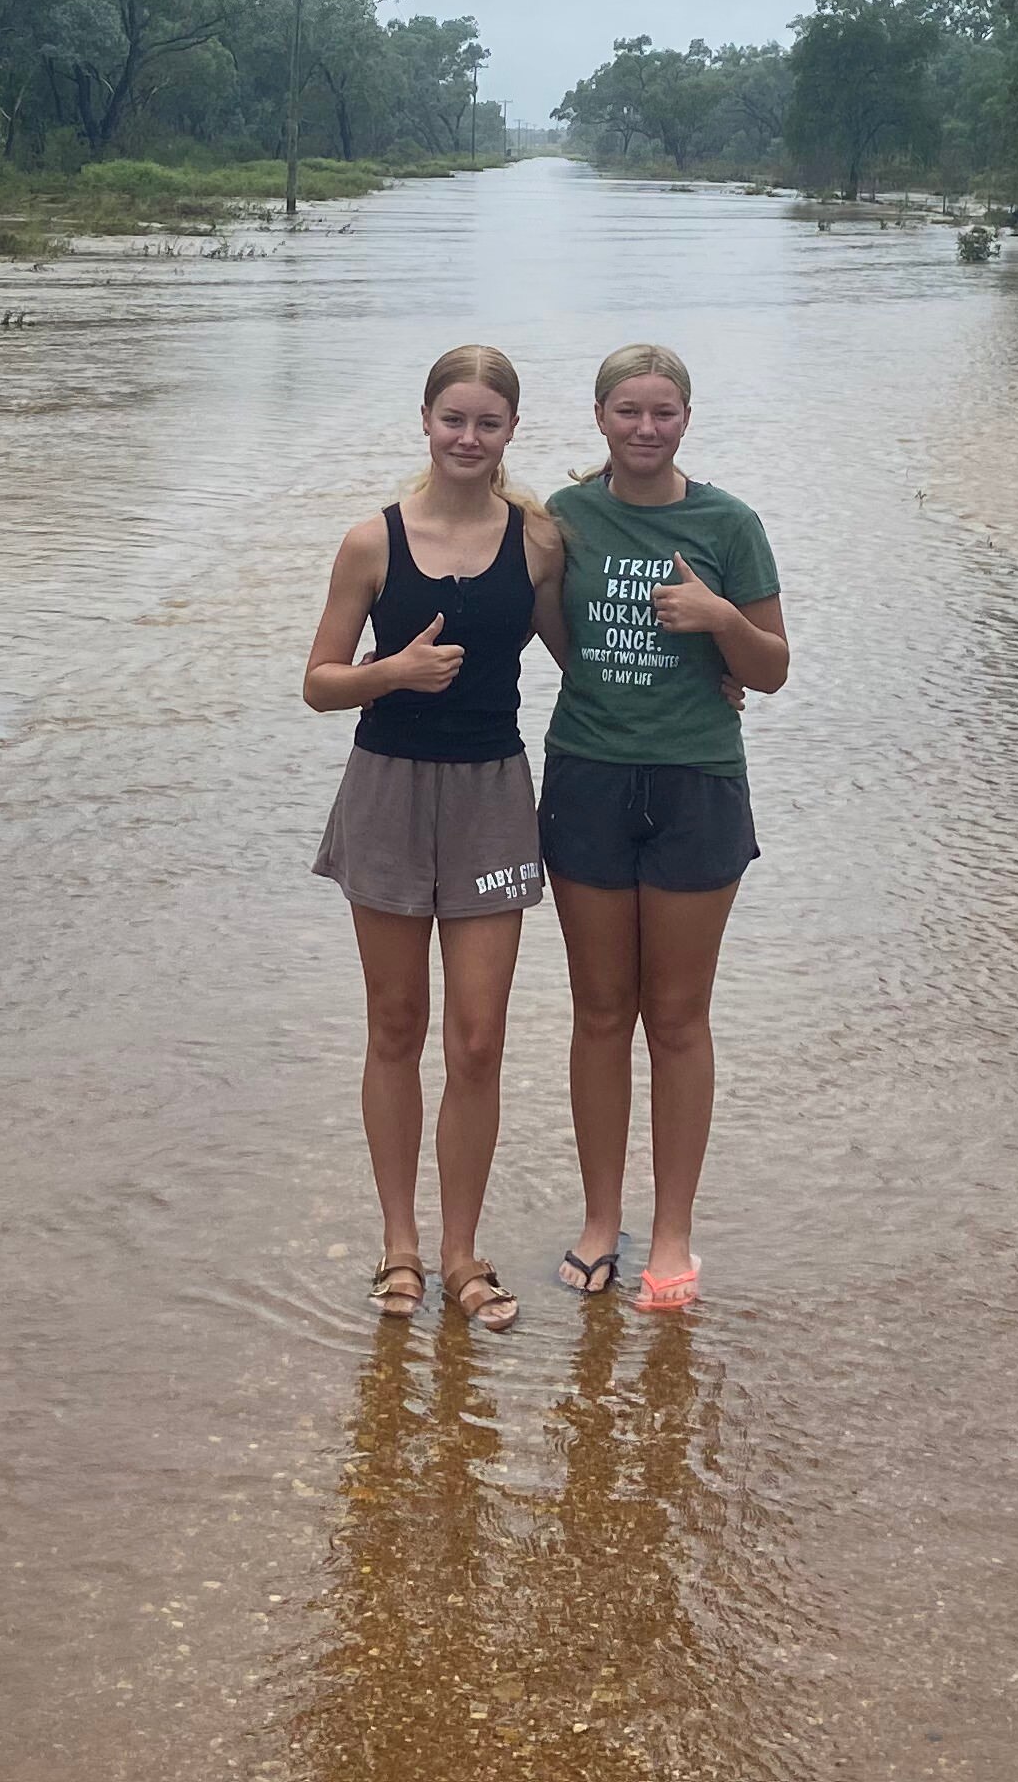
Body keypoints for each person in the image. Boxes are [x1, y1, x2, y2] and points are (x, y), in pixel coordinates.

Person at [303, 344, 566, 1329]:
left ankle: (462, 1254)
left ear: (511, 432)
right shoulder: (371, 543)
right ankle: (400, 1249)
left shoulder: (539, 543)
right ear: (424, 421)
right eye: (453, 419)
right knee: (395, 1025)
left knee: (479, 1040)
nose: (468, 437)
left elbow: (583, 660)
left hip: (493, 796)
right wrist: (391, 673)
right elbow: (319, 682)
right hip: (387, 790)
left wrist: (708, 681)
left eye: (487, 423)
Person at [537, 344, 787, 1313]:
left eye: (664, 412)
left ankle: (673, 1230)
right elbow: (561, 639)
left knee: (677, 1018)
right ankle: (601, 1222)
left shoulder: (729, 524)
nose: (646, 428)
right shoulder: (564, 518)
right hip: (589, 777)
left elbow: (770, 670)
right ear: (599, 416)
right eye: (628, 411)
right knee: (600, 1012)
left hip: (697, 786)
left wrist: (720, 617)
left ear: (687, 419)